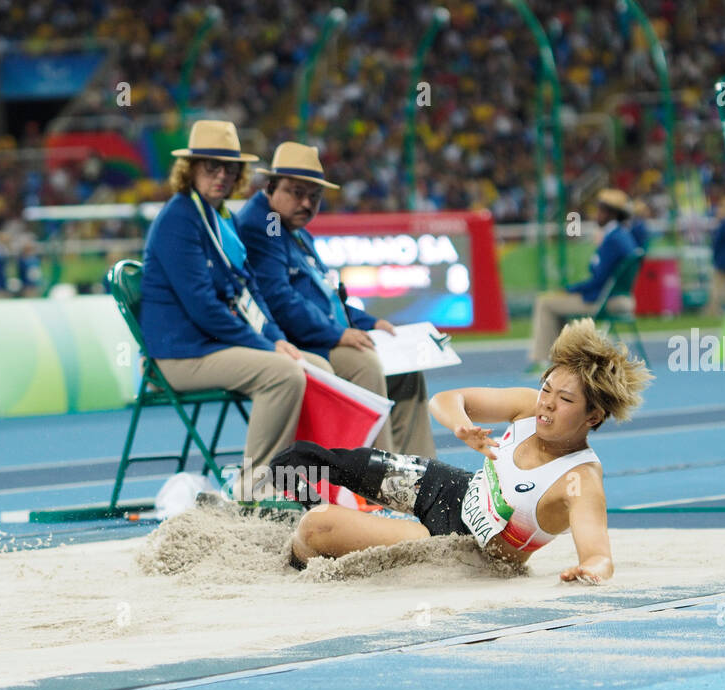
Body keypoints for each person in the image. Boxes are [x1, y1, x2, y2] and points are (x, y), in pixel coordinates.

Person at [272, 318, 653, 584]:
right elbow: (447, 398)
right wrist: (460, 425)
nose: (547, 405)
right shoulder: (527, 404)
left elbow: (598, 552)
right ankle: (269, 507)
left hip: (460, 548)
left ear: (594, 416)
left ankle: (298, 562)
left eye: (565, 399)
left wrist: (590, 570)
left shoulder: (578, 481)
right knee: (325, 460)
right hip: (451, 489)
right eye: (546, 389)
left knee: (316, 526)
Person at [140, 120, 334, 499]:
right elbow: (204, 309)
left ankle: (309, 479)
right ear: (191, 169)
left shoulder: (221, 218)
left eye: (229, 168)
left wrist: (277, 338)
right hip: (180, 354)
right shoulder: (180, 218)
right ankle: (257, 490)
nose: (222, 176)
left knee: (317, 368)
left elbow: (250, 292)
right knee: (282, 374)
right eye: (211, 167)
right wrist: (268, 348)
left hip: (211, 346)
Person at [236, 142, 436, 457]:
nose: (305, 203)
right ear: (271, 187)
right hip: (292, 343)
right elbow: (278, 301)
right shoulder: (261, 227)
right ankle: (378, 481)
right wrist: (338, 334)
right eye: (296, 192)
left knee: (405, 370)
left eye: (314, 196)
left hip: (316, 337)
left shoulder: (297, 230)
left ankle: (419, 472)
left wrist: (368, 323)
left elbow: (327, 297)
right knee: (364, 363)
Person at [527, 189, 637, 370]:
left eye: (600, 210)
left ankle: (542, 361)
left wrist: (569, 290)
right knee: (556, 304)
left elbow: (598, 281)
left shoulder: (614, 239)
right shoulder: (623, 236)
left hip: (608, 300)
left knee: (545, 303)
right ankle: (563, 358)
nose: (596, 215)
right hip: (620, 297)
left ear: (611, 213)